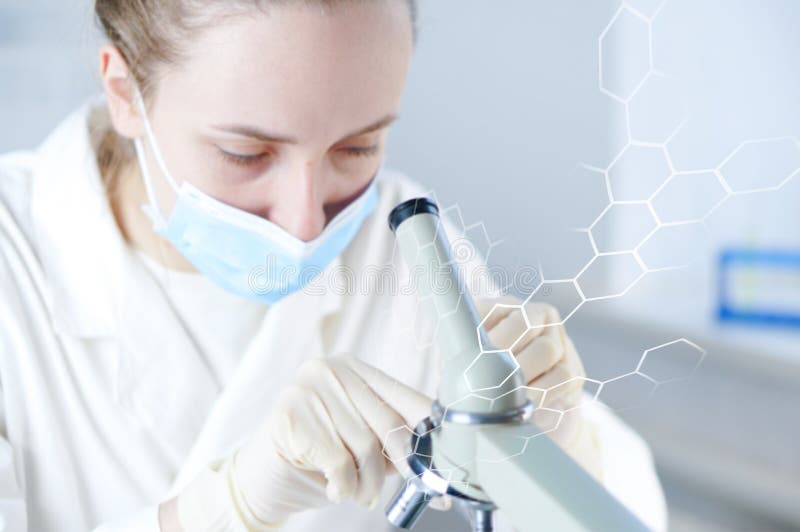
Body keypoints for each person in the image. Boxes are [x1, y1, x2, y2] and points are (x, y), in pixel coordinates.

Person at [0, 1, 667, 530]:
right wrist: (225, 508)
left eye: (357, 148)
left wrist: (557, 448)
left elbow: (629, 513)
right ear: (124, 90)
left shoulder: (400, 241)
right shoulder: (13, 257)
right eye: (245, 153)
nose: (304, 224)